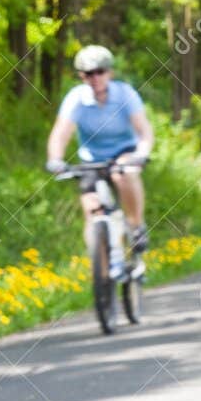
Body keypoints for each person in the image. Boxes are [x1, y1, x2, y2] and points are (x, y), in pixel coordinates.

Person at [45, 46, 153, 253]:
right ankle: (99, 266)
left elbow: (144, 131)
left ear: (110, 72)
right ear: (81, 76)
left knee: (124, 174)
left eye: (100, 72)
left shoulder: (124, 94)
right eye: (88, 74)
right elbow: (60, 134)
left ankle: (136, 226)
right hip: (91, 160)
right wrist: (55, 159)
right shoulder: (76, 98)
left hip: (123, 152)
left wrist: (142, 153)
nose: (95, 78)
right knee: (91, 210)